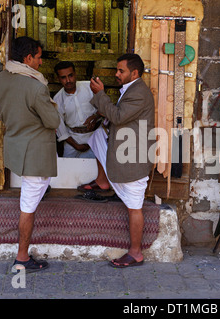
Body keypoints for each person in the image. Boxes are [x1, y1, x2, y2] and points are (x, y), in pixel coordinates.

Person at [0, 36, 61, 272]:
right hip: (35, 155)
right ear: (28, 58)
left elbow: (2, 113)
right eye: (39, 57)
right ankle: (21, 257)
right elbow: (53, 121)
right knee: (28, 207)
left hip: (15, 149)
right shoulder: (35, 86)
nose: (41, 63)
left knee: (30, 199)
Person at [87, 53, 155, 268]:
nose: (116, 74)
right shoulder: (131, 90)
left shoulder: (139, 93)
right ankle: (103, 180)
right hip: (126, 153)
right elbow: (117, 117)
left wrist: (100, 95)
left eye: (121, 71)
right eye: (116, 70)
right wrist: (100, 115)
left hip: (133, 158)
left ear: (134, 73)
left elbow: (118, 117)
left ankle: (135, 252)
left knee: (135, 206)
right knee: (96, 136)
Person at [53, 61, 100, 158]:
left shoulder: (89, 87)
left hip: (95, 137)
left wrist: (96, 116)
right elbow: (61, 129)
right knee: (69, 171)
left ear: (75, 74)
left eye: (70, 75)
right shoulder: (57, 100)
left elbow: (105, 108)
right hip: (72, 142)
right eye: (63, 77)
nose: (68, 80)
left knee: (96, 170)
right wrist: (77, 146)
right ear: (58, 79)